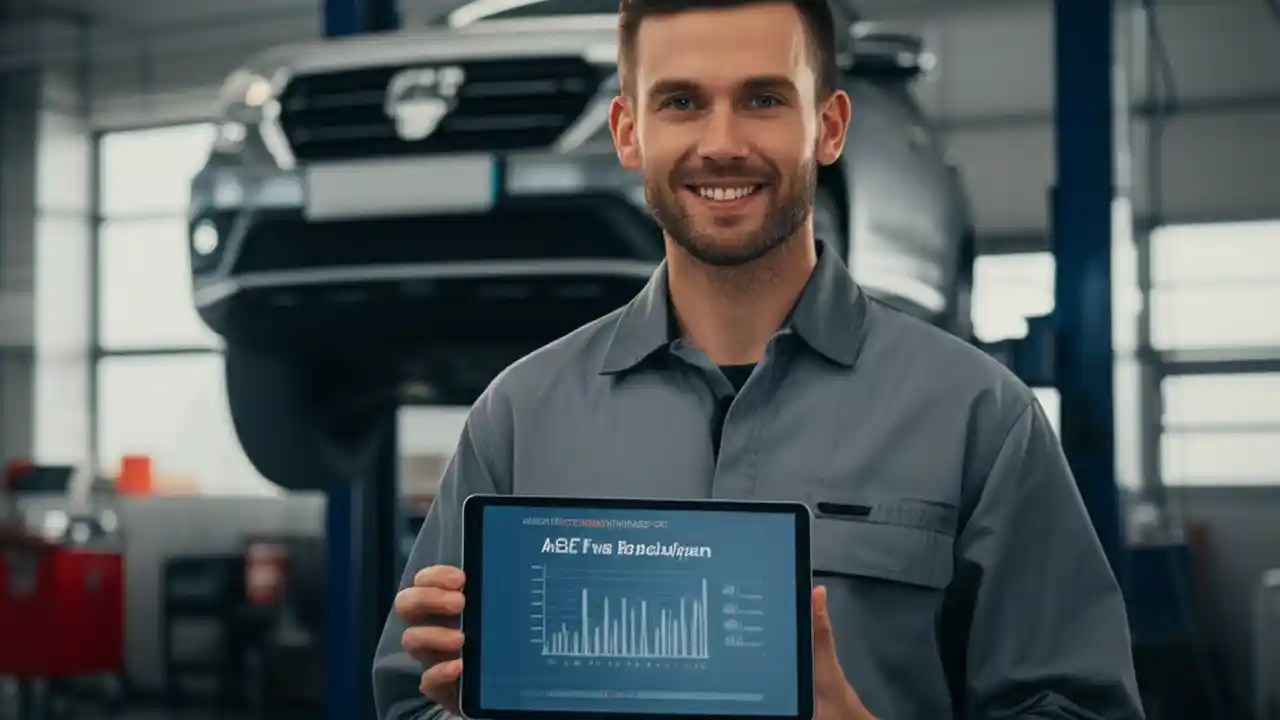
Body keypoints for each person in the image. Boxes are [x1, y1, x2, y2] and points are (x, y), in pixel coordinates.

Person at [373, 0, 1146, 716]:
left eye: (763, 99)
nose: (722, 144)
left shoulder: (979, 415)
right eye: (681, 102)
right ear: (628, 133)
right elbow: (412, 703)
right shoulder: (521, 414)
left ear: (829, 127)